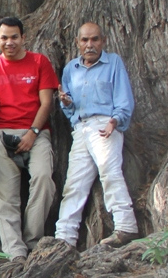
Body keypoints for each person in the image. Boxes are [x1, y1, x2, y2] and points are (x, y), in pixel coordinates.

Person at [0, 17, 59, 260]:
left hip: (37, 131)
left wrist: (33, 133)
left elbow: (47, 103)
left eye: (14, 37)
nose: (9, 42)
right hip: (3, 132)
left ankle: (32, 241)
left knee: (43, 180)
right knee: (5, 193)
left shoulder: (39, 62)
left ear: (23, 38)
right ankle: (15, 251)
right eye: (4, 38)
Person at [55, 22, 139, 248]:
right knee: (74, 184)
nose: (89, 45)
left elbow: (124, 99)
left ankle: (126, 225)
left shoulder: (113, 63)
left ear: (103, 41)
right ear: (77, 42)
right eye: (85, 40)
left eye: (94, 39)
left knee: (109, 172)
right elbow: (69, 106)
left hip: (105, 124)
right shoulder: (71, 69)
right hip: (81, 128)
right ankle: (64, 238)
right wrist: (66, 103)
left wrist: (115, 121)